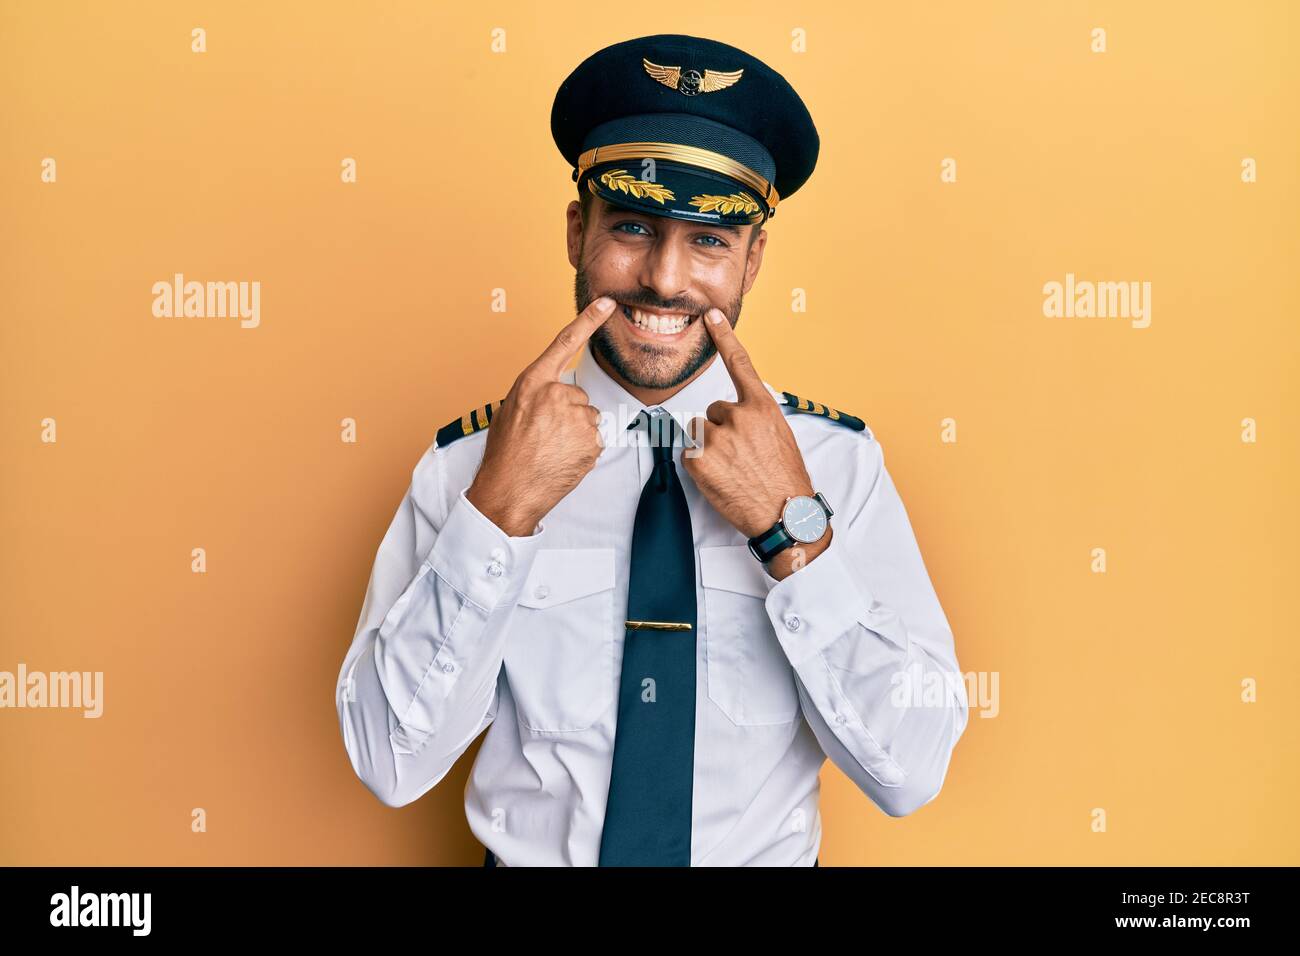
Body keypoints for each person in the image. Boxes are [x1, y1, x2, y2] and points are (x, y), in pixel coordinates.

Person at [335, 33, 968, 867]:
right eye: (633, 226)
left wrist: (792, 533)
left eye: (710, 240)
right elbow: (389, 763)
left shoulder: (837, 465)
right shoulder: (470, 465)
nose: (666, 279)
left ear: (753, 260)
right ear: (577, 232)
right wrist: (498, 514)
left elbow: (911, 772)